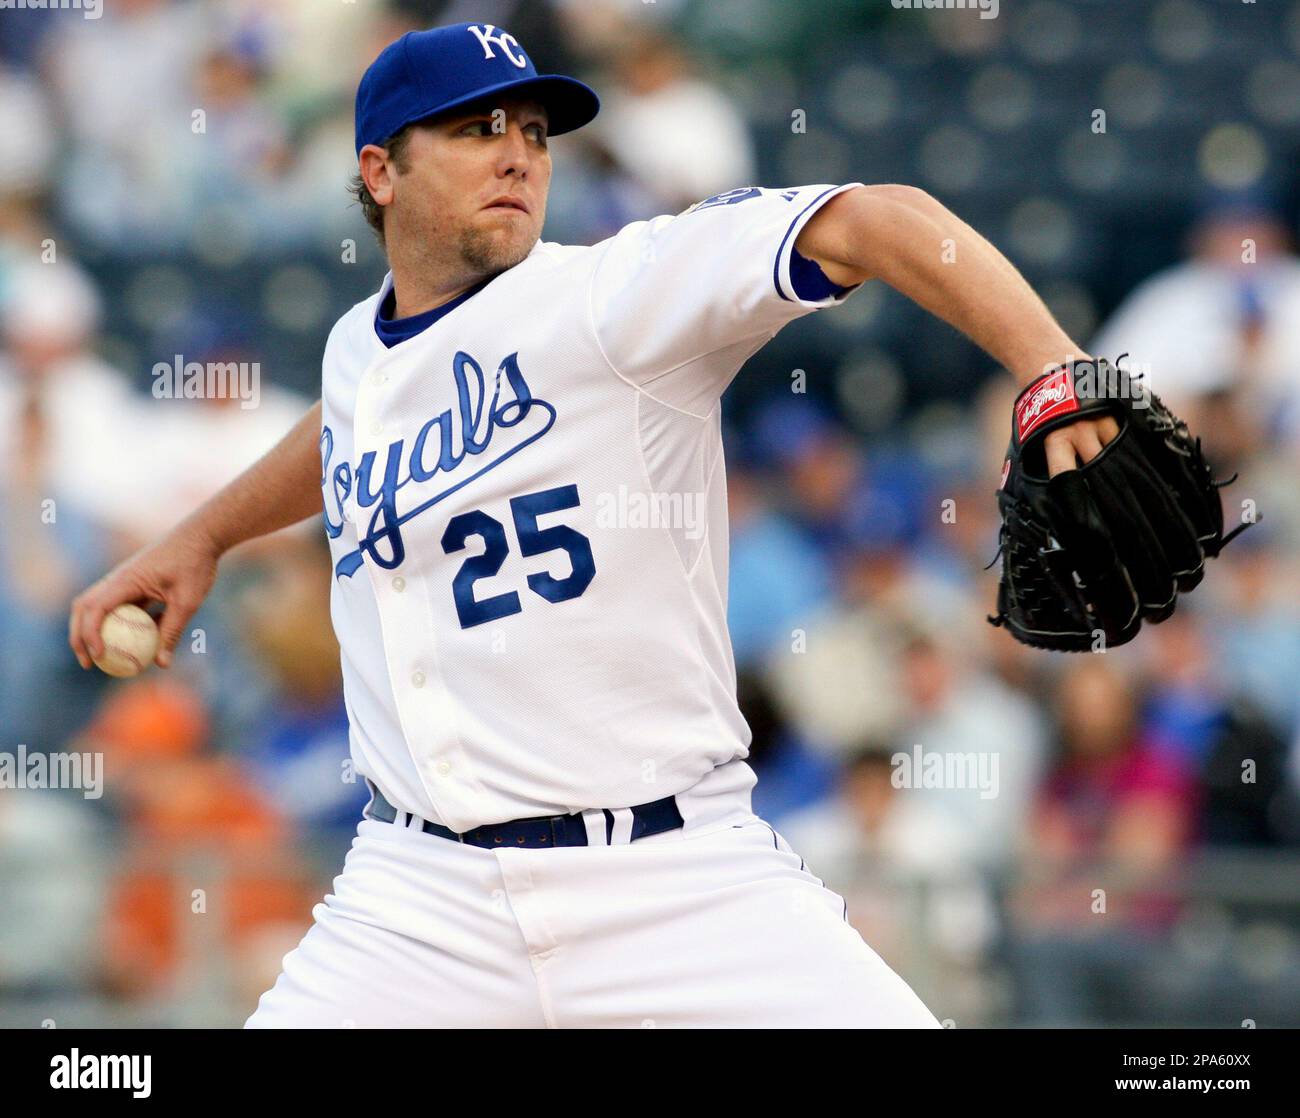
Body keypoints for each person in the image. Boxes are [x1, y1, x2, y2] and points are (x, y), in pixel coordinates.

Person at [69, 21, 1117, 1028]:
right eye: (477, 130)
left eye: (531, 131)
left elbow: (872, 218)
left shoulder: (617, 296)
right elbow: (347, 423)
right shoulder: (359, 351)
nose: (518, 154)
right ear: (381, 171)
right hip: (421, 895)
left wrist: (1050, 365)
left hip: (672, 876)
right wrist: (201, 536)